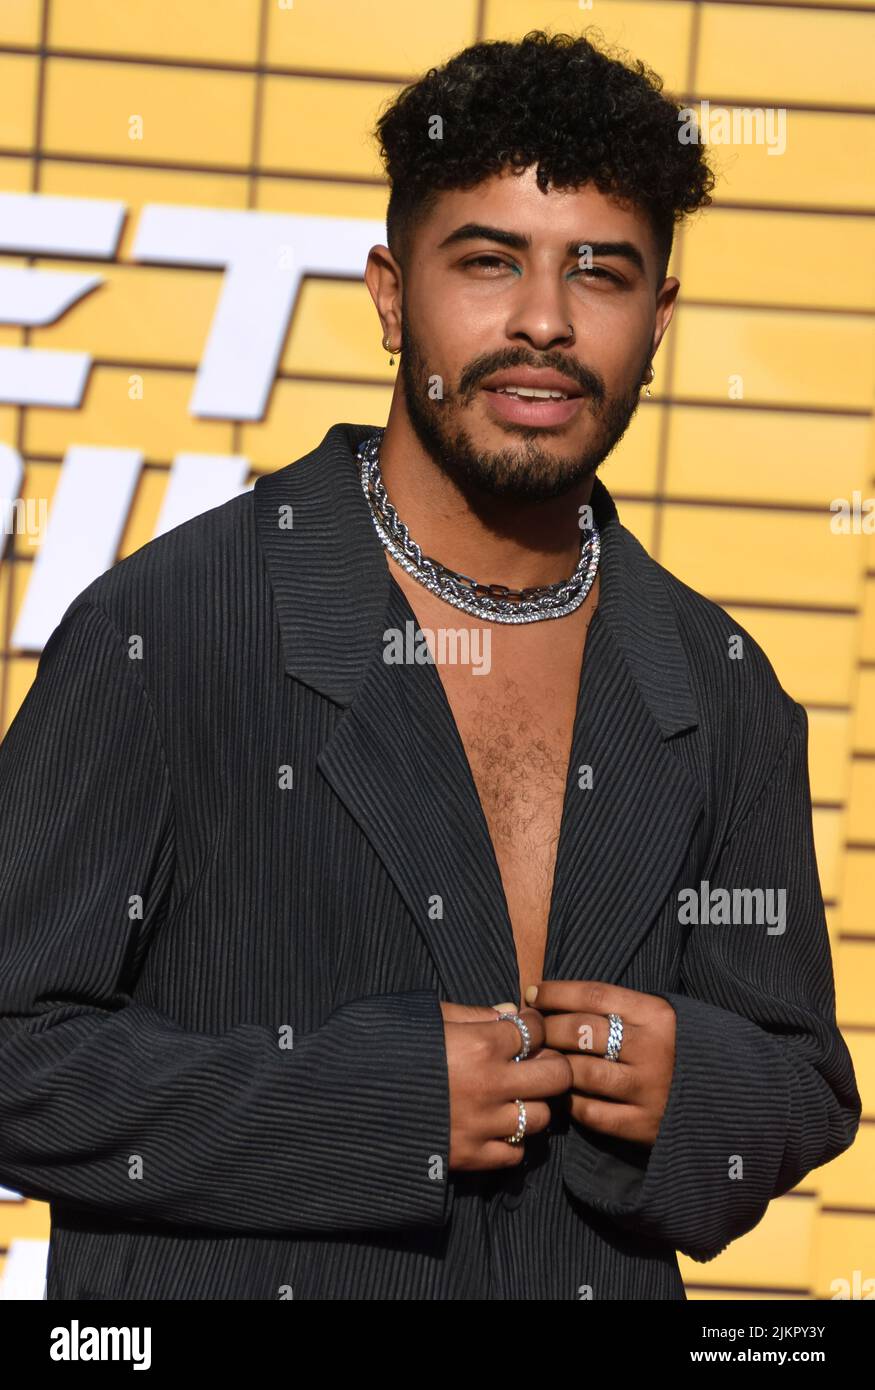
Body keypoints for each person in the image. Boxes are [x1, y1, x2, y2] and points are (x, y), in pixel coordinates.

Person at [0, 30, 860, 1300]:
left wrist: (696, 1089)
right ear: (393, 295)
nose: (542, 323)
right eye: (488, 262)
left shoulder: (723, 685)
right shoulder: (168, 632)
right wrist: (366, 1106)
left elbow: (800, 1083)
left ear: (658, 319)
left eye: (599, 273)